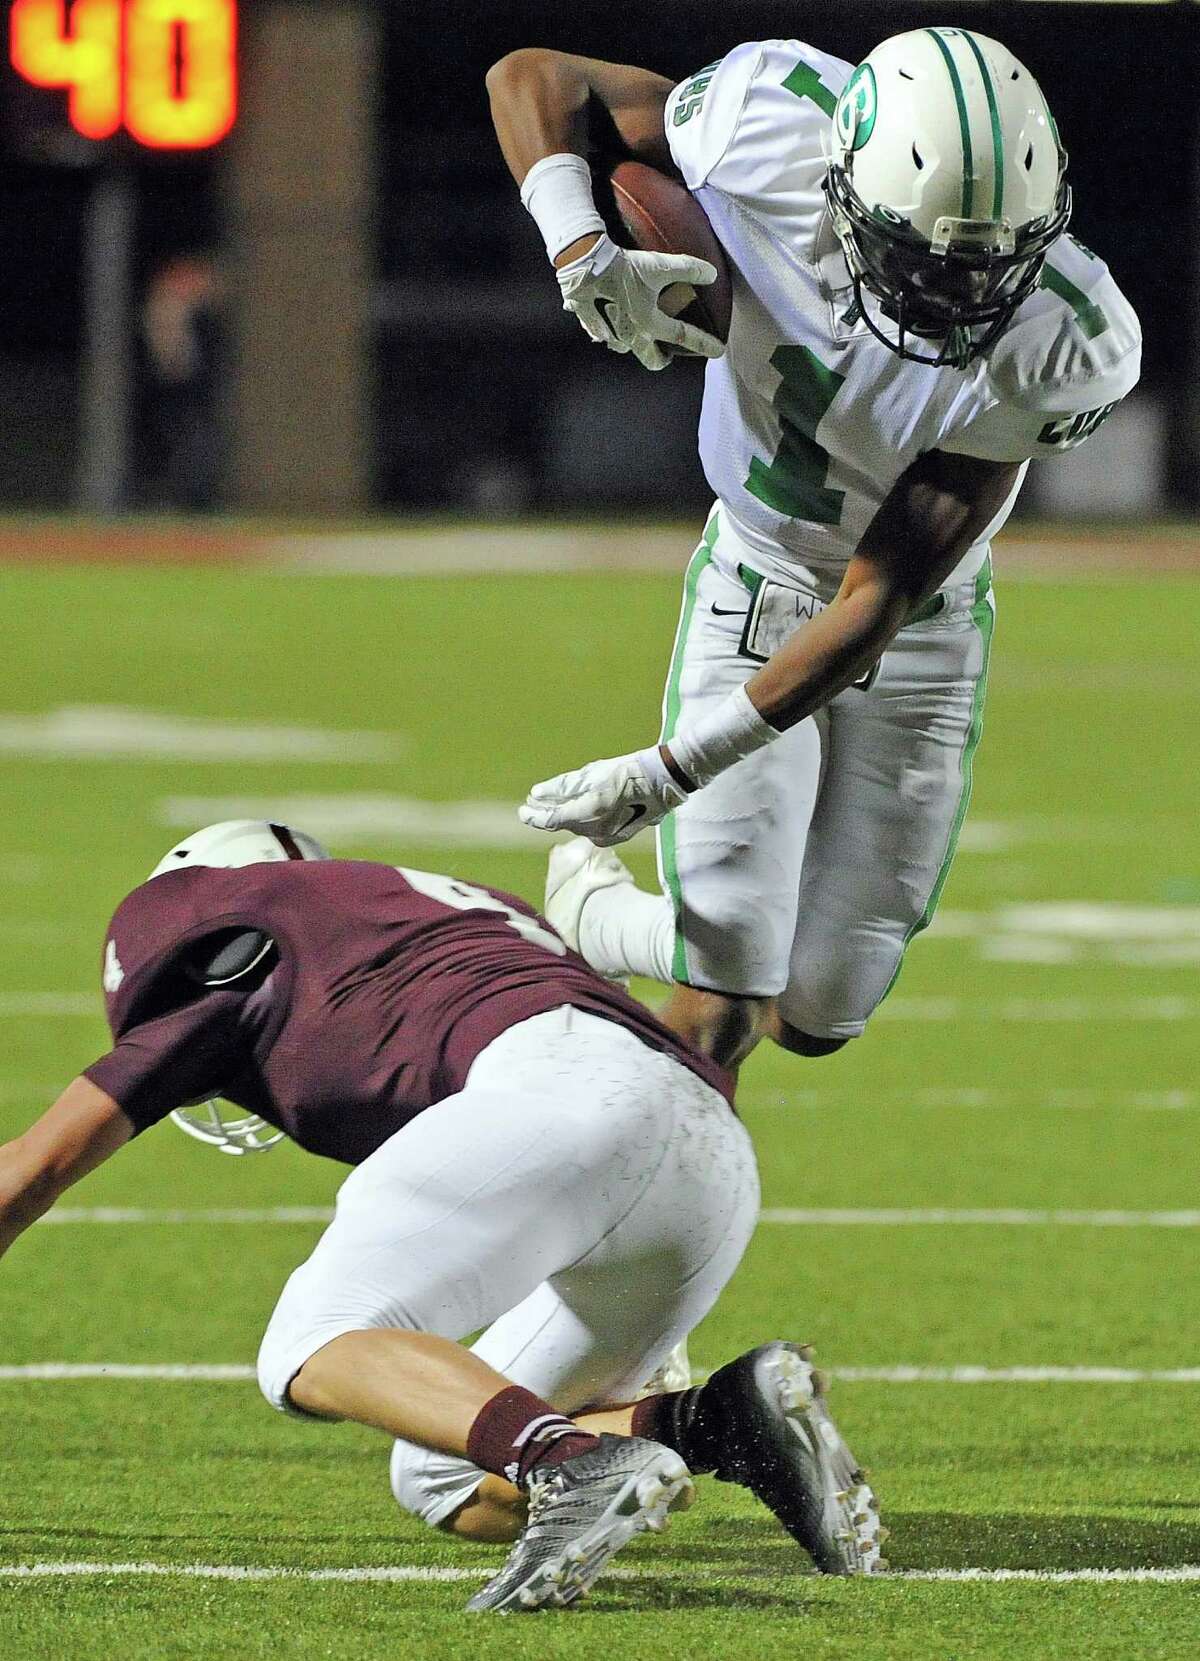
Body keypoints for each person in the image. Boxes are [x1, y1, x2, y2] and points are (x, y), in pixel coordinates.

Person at [0, 820, 883, 1612]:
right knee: (447, 1476)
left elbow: (31, 1168)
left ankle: (572, 1462)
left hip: (556, 1101)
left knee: (312, 1339)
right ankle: (724, 1423)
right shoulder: (461, 915)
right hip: (706, 1148)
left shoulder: (227, 927)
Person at [488, 30, 1141, 1068]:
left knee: (821, 1010)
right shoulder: (761, 123)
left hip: (917, 623)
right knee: (721, 1005)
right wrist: (579, 243)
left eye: (987, 269)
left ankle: (609, 923)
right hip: (759, 573)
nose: (957, 299)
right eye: (924, 261)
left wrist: (671, 767)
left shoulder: (1074, 337)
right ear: (841, 188)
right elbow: (533, 79)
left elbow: (876, 600)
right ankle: (676, 1108)